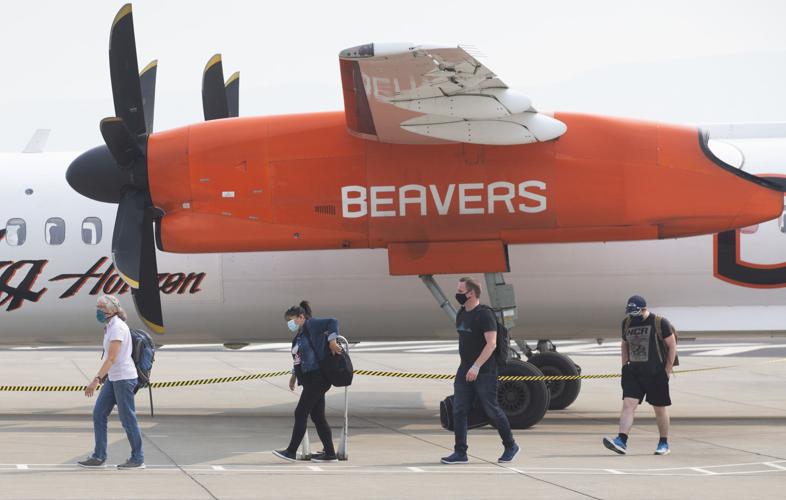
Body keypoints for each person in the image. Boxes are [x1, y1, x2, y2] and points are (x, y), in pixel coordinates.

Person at [441, 277, 519, 465]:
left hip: (484, 371)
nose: (457, 294)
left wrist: (476, 366)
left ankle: (510, 445)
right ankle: (460, 452)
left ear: (471, 293)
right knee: (459, 410)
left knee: (491, 409)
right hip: (464, 369)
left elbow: (491, 344)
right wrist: (468, 367)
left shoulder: (484, 315)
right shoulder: (462, 313)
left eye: (461, 291)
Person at [603, 295, 677, 456]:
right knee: (628, 404)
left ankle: (663, 443)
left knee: (659, 408)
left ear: (643, 309)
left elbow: (672, 346)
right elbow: (624, 344)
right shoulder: (627, 322)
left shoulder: (659, 322)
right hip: (634, 372)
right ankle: (621, 440)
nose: (632, 316)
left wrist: (666, 371)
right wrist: (624, 366)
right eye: (630, 312)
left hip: (656, 373)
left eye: (635, 312)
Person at [78, 295, 145, 469]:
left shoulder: (117, 328)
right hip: (114, 377)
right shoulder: (110, 326)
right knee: (99, 414)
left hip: (124, 378)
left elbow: (112, 357)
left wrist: (96, 380)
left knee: (127, 419)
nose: (98, 311)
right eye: (98, 307)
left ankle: (138, 458)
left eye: (101, 308)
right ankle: (99, 456)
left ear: (111, 310)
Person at [273, 301, 343, 463]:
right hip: (310, 379)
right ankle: (330, 454)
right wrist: (294, 375)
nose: (290, 324)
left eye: (291, 320)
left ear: (301, 317)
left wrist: (332, 340)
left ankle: (291, 451)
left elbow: (332, 321)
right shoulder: (300, 335)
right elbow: (300, 358)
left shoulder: (312, 325)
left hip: (318, 378)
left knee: (300, 412)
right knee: (317, 416)